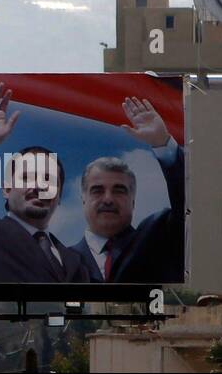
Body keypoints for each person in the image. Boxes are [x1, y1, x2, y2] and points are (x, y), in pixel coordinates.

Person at [0, 82, 90, 283]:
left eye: (48, 180)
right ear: (6, 188)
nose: (38, 186)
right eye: (27, 177)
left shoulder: (74, 261)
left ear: (59, 197)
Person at [72, 96, 185, 283]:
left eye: (119, 190)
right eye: (97, 190)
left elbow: (188, 204)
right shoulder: (60, 260)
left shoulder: (161, 236)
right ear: (83, 198)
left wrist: (162, 143)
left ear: (133, 199)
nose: (108, 199)